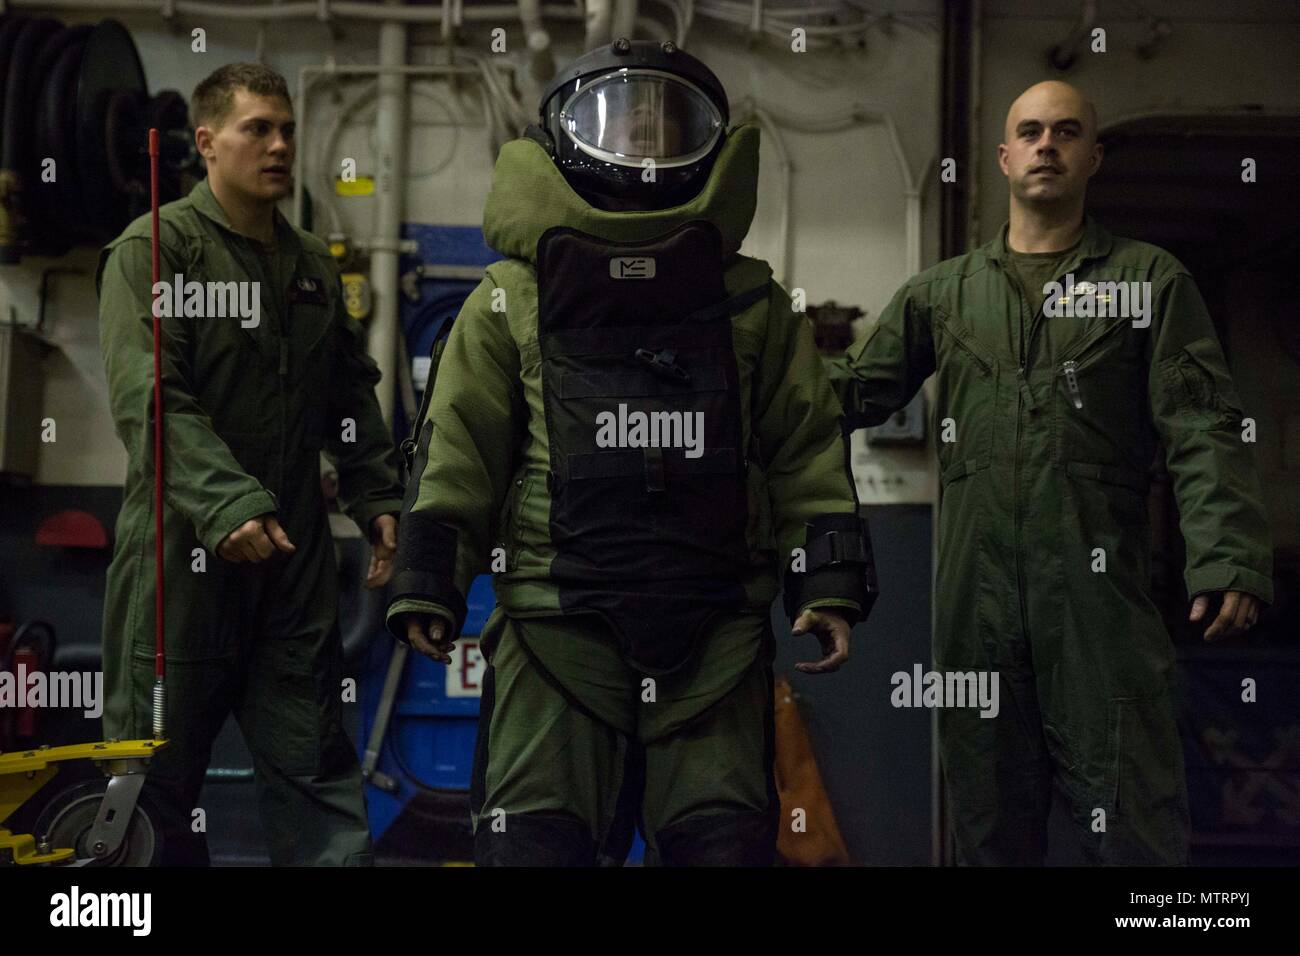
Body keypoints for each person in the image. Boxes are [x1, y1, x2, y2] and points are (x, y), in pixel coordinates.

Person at [386, 38, 877, 866]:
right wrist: (429, 580)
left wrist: (827, 582)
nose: (642, 145)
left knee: (723, 847)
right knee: (535, 846)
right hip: (554, 633)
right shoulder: (506, 298)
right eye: (620, 122)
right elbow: (457, 453)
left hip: (716, 632)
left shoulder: (752, 300)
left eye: (666, 125)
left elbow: (805, 451)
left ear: (708, 142)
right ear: (566, 139)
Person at [829, 80, 1273, 865]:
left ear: (1092, 157)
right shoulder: (943, 294)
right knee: (988, 827)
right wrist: (743, 357)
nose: (1046, 145)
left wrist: (1226, 551)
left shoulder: (1150, 283)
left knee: (1135, 822)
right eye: (1030, 132)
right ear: (1003, 158)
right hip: (976, 610)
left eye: (1066, 132)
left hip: (1099, 609)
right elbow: (843, 398)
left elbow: (1201, 424)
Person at [97, 63, 403, 865]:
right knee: (149, 787)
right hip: (181, 561)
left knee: (316, 772)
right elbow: (152, 401)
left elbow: (348, 392)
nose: (278, 145)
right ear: (206, 143)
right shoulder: (157, 249)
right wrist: (227, 502)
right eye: (256, 129)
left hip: (292, 562)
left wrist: (379, 495)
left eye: (287, 129)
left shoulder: (307, 264)